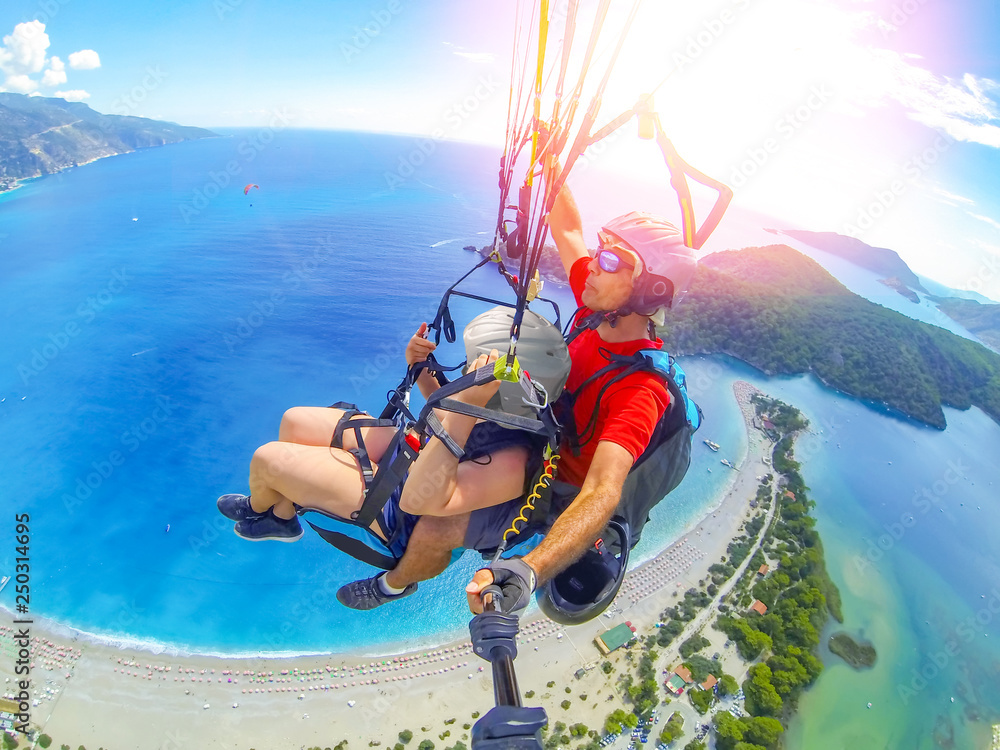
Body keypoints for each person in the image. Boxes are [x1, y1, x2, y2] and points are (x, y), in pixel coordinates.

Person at [334, 181, 699, 617]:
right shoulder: (597, 310)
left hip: (549, 488)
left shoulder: (639, 390)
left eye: (610, 259)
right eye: (599, 250)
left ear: (647, 291)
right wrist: (551, 166)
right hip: (528, 437)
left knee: (434, 529)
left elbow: (603, 489)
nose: (592, 264)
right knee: (447, 422)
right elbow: (567, 229)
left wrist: (530, 569)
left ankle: (392, 586)